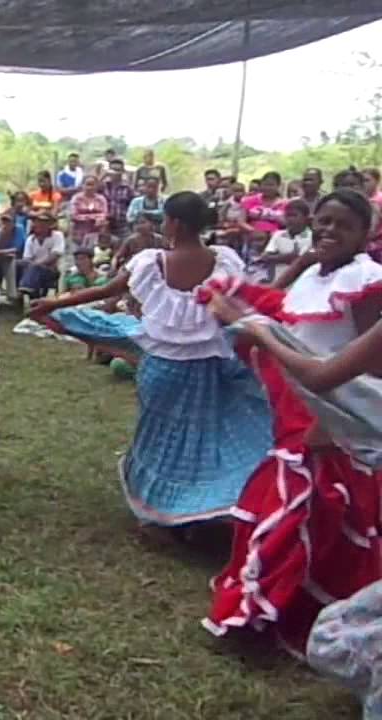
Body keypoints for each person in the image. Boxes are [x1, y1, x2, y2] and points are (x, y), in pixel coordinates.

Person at [200, 189, 382, 656]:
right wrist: (303, 262)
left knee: (289, 509)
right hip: (295, 406)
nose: (327, 230)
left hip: (332, 414)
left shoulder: (363, 280)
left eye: (342, 224)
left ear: (367, 234)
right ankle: (291, 607)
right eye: (322, 221)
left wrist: (335, 422)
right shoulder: (316, 278)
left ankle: (255, 618)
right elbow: (280, 306)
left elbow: (372, 365)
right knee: (314, 516)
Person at [29, 191, 271, 531]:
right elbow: (244, 307)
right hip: (206, 368)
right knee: (196, 438)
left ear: (174, 223)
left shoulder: (150, 262)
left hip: (161, 367)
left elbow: (105, 291)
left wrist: (54, 304)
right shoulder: (225, 261)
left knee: (157, 437)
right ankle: (196, 507)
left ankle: (159, 511)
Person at [257, 198, 313, 282]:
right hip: (278, 281)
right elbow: (265, 257)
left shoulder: (312, 237)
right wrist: (287, 257)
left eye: (294, 215)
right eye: (287, 215)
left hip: (301, 282)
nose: (290, 219)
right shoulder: (278, 234)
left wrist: (276, 257)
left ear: (306, 218)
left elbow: (300, 260)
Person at [16, 212, 66, 299]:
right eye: (38, 222)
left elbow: (56, 254)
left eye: (44, 222)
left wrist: (38, 263)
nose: (41, 224)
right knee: (17, 264)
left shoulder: (57, 235)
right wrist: (33, 264)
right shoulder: (31, 239)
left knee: (36, 267)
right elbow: (27, 257)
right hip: (32, 267)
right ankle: (17, 292)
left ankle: (26, 287)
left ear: (50, 224)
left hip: (50, 269)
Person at [241, 171, 288, 238]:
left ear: (278, 186)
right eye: (265, 184)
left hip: (274, 238)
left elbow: (287, 224)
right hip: (252, 237)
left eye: (271, 185)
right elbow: (241, 222)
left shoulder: (285, 204)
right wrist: (253, 231)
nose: (267, 188)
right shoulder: (249, 200)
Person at [69, 175, 108, 243]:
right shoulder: (76, 198)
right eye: (88, 184)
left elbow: (104, 214)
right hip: (79, 232)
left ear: (97, 186)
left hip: (96, 232)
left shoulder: (101, 199)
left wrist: (97, 219)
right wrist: (93, 217)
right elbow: (73, 215)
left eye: (93, 185)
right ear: (83, 185)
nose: (90, 187)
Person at [103, 159, 135, 236]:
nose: (115, 173)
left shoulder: (128, 188)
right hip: (106, 224)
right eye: (112, 170)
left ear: (123, 171)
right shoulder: (103, 186)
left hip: (123, 224)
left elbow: (132, 206)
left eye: (117, 170)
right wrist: (103, 175)